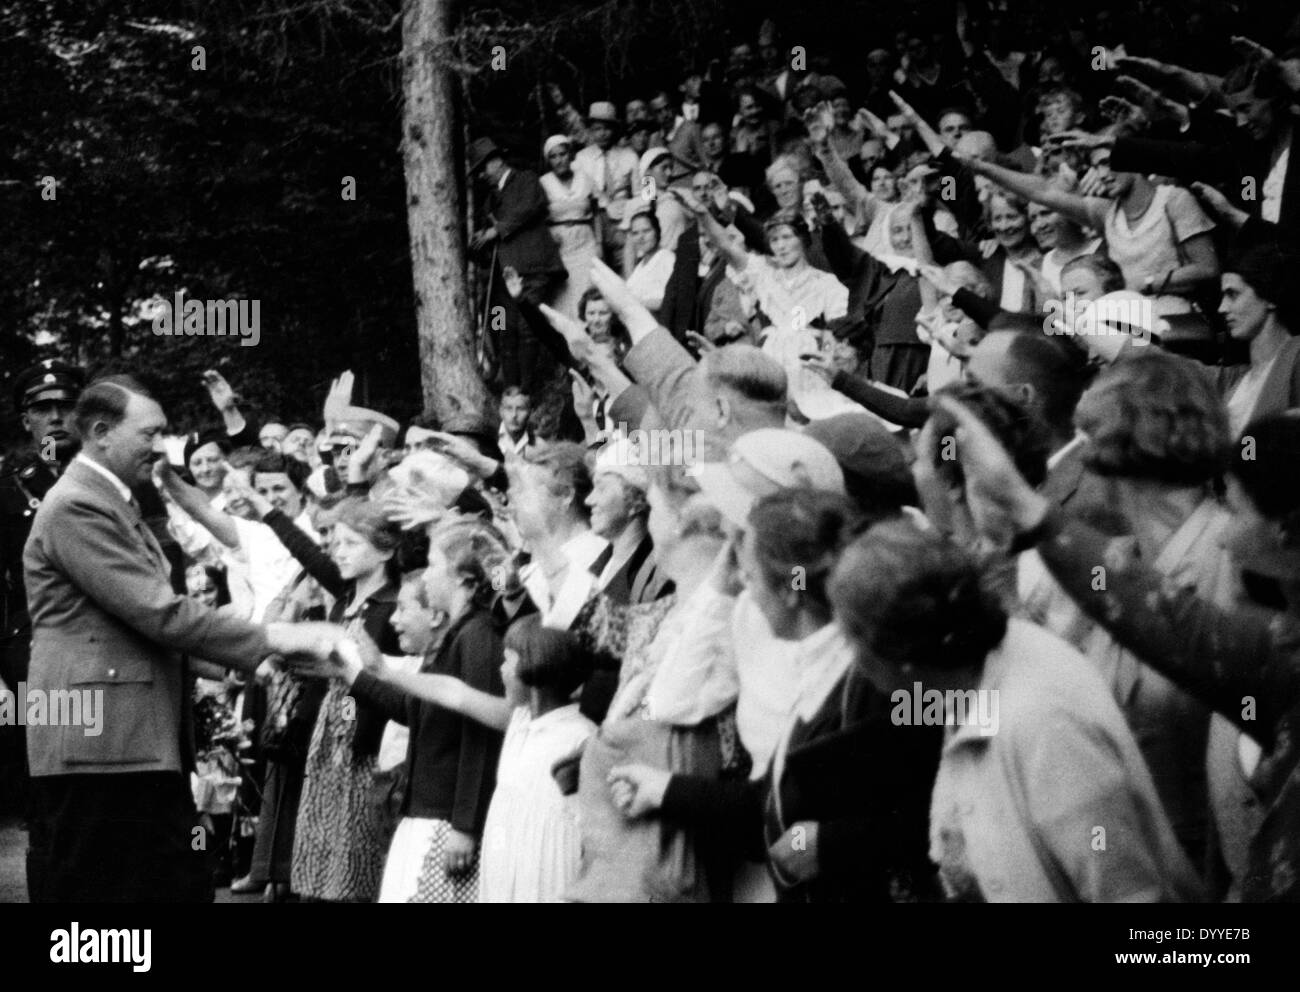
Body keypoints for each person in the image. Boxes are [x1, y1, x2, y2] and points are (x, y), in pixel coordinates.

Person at [23, 374, 340, 902]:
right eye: (150, 433)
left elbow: (136, 628)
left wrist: (243, 666)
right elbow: (157, 613)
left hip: (128, 740)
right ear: (101, 432)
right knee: (98, 907)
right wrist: (279, 639)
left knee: (168, 886)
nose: (162, 446)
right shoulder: (80, 504)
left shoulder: (110, 499)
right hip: (102, 745)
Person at [827, 516, 1205, 903]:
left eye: (852, 640)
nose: (853, 663)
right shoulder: (964, 679)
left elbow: (1131, 896)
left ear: (900, 656)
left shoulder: (1043, 724)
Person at [295, 519, 510, 903]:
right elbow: (412, 710)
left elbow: (480, 735)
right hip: (424, 811)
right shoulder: (454, 637)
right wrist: (353, 673)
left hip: (446, 819)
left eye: (432, 566)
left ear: (463, 579)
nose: (424, 578)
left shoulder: (479, 635)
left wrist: (465, 822)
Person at [0, 359, 84, 897]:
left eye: (65, 406)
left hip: (110, 656)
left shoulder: (116, 479)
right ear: (25, 420)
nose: (55, 417)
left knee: (107, 800)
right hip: (34, 656)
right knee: (50, 795)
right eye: (42, 408)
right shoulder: (9, 489)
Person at [479, 615, 595, 902]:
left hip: (549, 874)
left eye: (508, 660)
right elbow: (455, 695)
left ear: (534, 667)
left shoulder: (579, 737)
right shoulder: (520, 723)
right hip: (506, 867)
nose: (501, 668)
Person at [540, 134, 599, 319]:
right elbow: (536, 217)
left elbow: (597, 211)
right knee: (564, 298)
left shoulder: (585, 178)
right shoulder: (543, 183)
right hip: (560, 247)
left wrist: (600, 243)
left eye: (563, 154)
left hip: (586, 241)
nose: (559, 160)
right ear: (548, 160)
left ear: (570, 155)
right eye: (554, 156)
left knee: (587, 291)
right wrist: (547, 237)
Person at [624, 209, 677, 315]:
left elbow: (672, 300)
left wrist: (635, 304)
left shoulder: (667, 258)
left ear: (657, 231)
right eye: (635, 233)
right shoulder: (640, 265)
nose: (641, 237)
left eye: (646, 231)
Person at [497, 386, 535, 459]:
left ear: (530, 412)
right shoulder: (490, 440)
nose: (514, 415)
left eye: (520, 409)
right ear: (501, 411)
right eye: (509, 408)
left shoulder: (538, 445)